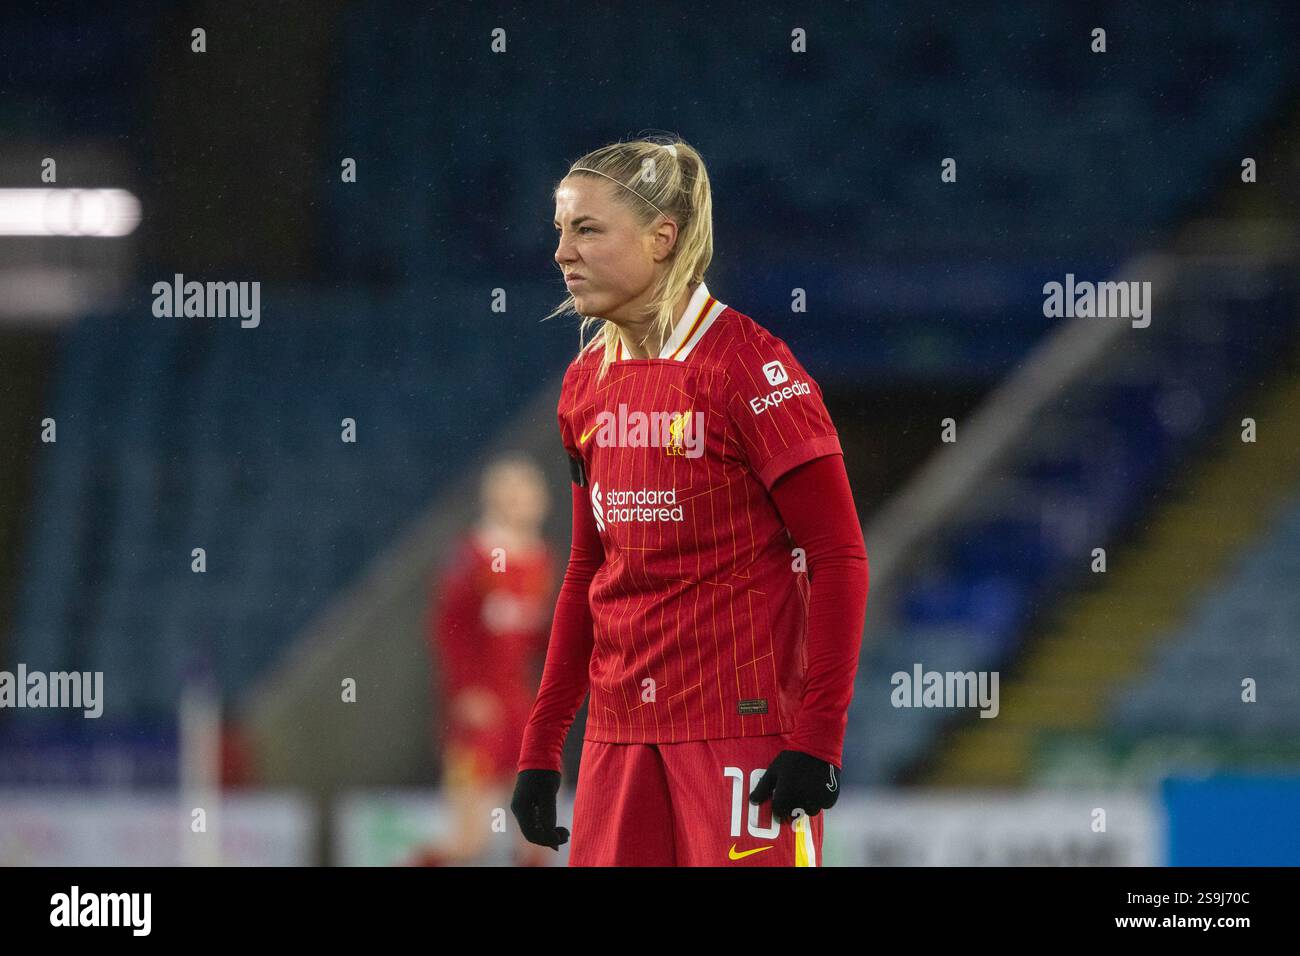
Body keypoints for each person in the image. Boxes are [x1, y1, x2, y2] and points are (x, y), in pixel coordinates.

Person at [511, 138, 869, 866]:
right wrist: (543, 746)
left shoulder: (751, 366)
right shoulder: (585, 384)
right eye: (559, 231)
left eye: (586, 229)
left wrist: (818, 741)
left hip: (742, 738)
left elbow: (838, 556)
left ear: (661, 237)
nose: (561, 254)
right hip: (617, 743)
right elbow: (588, 569)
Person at [410, 453, 556, 866]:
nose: (517, 500)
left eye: (525, 491)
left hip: (521, 710)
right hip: (477, 711)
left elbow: (538, 638)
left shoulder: (540, 559)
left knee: (537, 837)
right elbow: (446, 629)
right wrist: (465, 690)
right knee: (468, 841)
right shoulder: (471, 555)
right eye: (507, 491)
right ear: (491, 498)